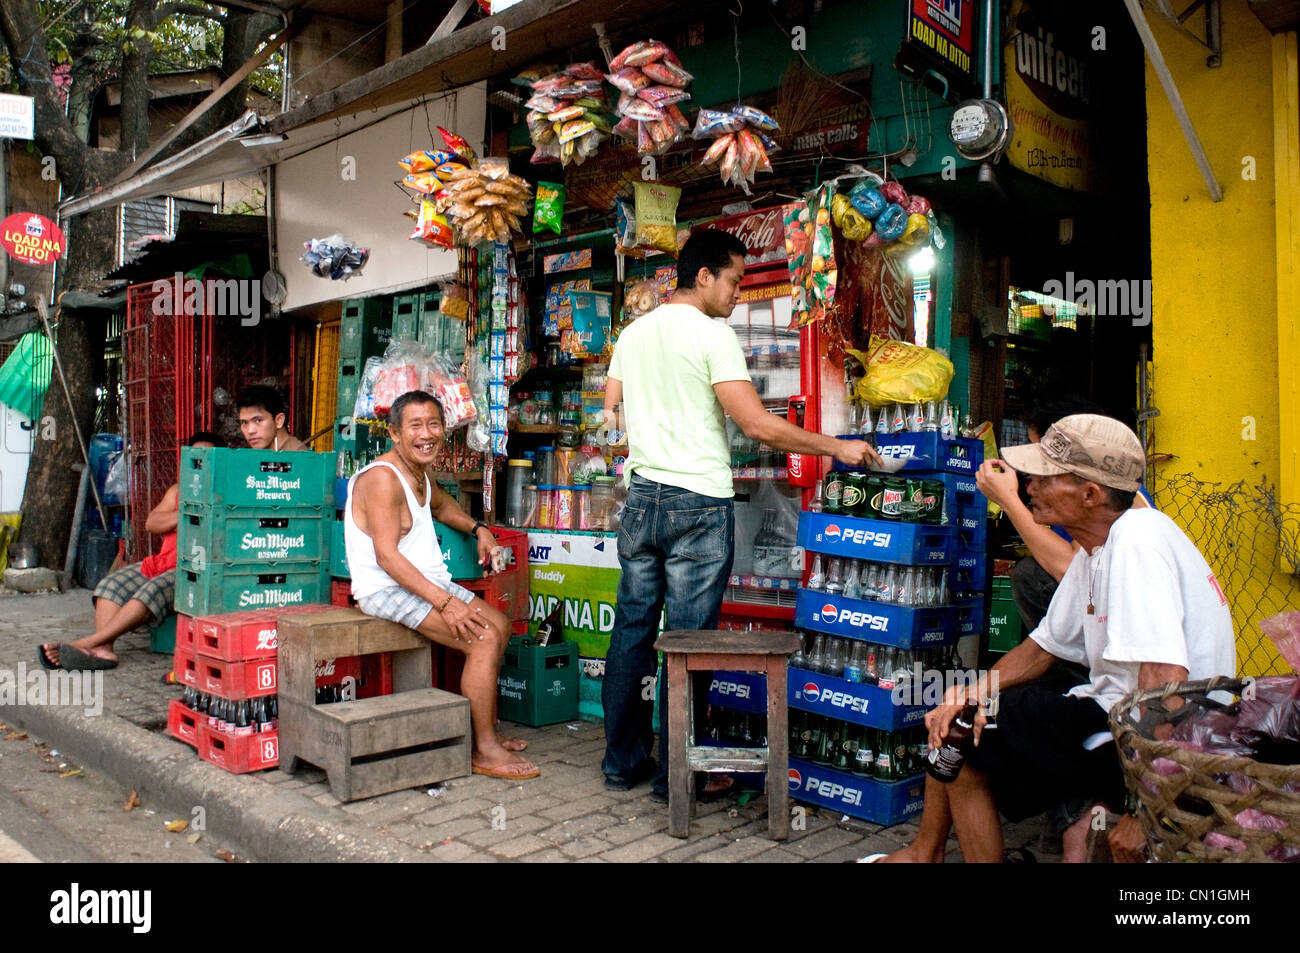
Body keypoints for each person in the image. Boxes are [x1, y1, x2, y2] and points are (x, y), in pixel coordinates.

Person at [863, 414, 1235, 864]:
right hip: (1118, 712)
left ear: (1090, 494)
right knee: (962, 713)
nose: (1029, 485)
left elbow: (1166, 685)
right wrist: (970, 692)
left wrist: (1148, 805)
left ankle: (930, 854)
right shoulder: (1102, 544)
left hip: (1168, 735)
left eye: (1044, 477)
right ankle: (927, 852)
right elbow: (1044, 647)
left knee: (963, 739)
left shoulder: (1137, 543)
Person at [600, 228, 883, 800]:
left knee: (632, 631)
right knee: (688, 641)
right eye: (732, 280)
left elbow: (611, 414)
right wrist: (835, 446)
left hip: (642, 498)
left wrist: (647, 445)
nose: (736, 293)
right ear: (703, 276)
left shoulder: (634, 332)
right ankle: (677, 776)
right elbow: (754, 424)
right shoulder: (711, 334)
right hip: (697, 504)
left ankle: (621, 762)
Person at [345, 389, 538, 780]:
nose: (426, 434)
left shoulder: (418, 471)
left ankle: (486, 730)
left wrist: (479, 528)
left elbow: (442, 506)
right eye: (415, 425)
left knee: (498, 626)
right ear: (394, 433)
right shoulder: (383, 479)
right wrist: (446, 603)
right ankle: (483, 751)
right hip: (384, 588)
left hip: (422, 581)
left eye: (434, 424)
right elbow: (387, 557)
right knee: (482, 639)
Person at [38, 432, 226, 671]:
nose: (200, 462)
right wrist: (186, 513)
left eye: (206, 456)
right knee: (110, 585)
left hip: (194, 569)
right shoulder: (178, 491)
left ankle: (86, 643)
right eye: (195, 456)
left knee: (151, 591)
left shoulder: (224, 493)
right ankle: (104, 651)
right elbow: (152, 523)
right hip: (162, 562)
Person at [976, 398, 1151, 632]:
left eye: (1038, 452)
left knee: (1030, 575)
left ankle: (1075, 666)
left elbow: (1070, 570)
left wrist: (1008, 500)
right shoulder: (1074, 494)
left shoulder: (1112, 495)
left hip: (1118, 626)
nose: (1033, 473)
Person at [237, 384, 310, 451]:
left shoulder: (297, 458)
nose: (250, 431)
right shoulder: (268, 455)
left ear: (279, 420)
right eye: (244, 422)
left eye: (258, 420)